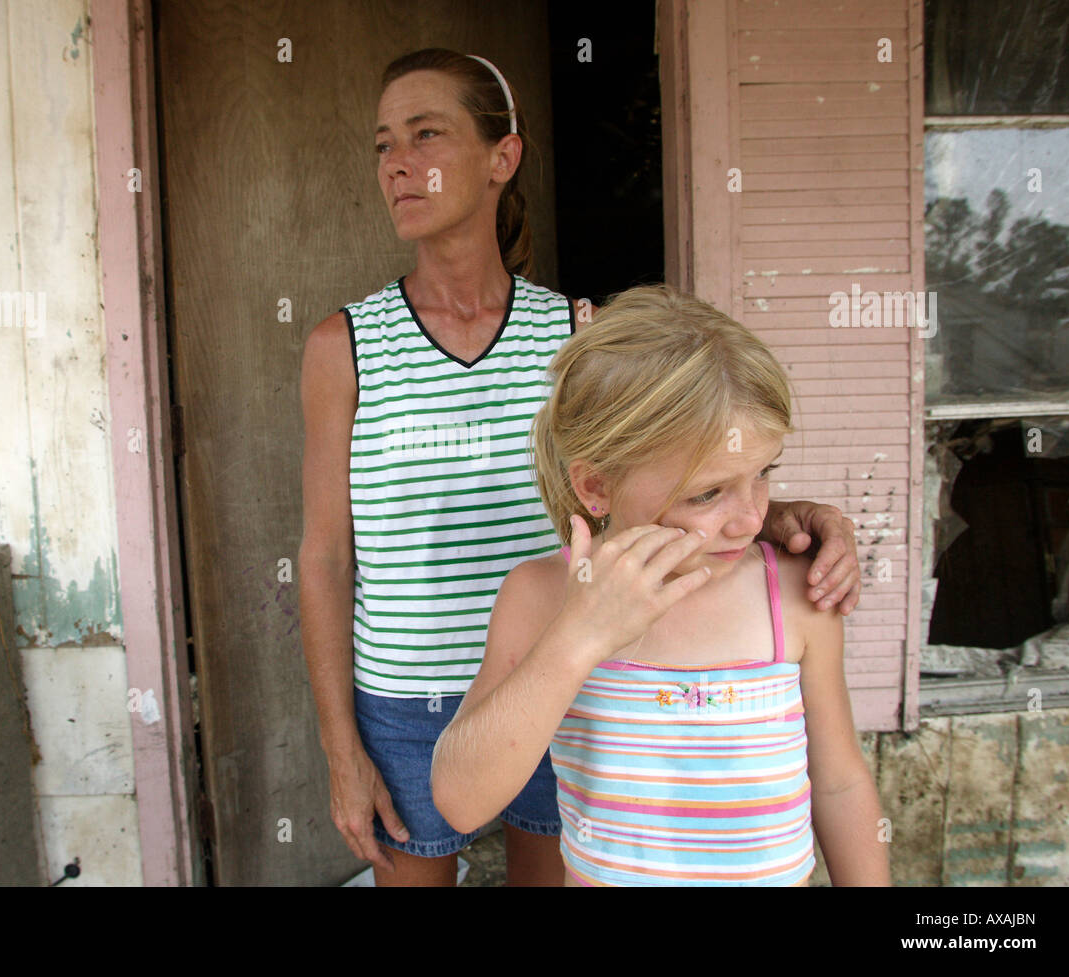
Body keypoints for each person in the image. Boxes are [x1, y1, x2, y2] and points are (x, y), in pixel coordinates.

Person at [298, 48, 864, 887]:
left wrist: (775, 513)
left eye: (426, 134)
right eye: (384, 145)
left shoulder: (580, 334)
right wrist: (341, 746)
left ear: (503, 157)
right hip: (408, 697)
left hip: (580, 682)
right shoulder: (343, 346)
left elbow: (667, 467)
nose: (399, 165)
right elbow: (324, 556)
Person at [430, 285, 891, 885]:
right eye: (707, 493)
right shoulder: (544, 596)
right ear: (596, 487)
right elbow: (461, 800)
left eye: (762, 475)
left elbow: (839, 780)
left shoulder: (794, 593)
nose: (751, 519)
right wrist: (579, 638)